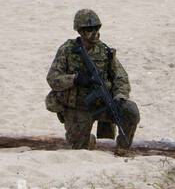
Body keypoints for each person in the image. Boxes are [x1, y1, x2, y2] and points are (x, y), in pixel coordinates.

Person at [45, 9, 140, 152]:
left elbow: (121, 77)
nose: (95, 32)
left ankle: (122, 148)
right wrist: (75, 79)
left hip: (103, 105)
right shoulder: (68, 50)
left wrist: (119, 96)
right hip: (78, 107)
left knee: (130, 111)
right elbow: (52, 78)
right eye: (89, 29)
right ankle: (89, 141)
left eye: (97, 28)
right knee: (78, 149)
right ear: (80, 31)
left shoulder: (105, 52)